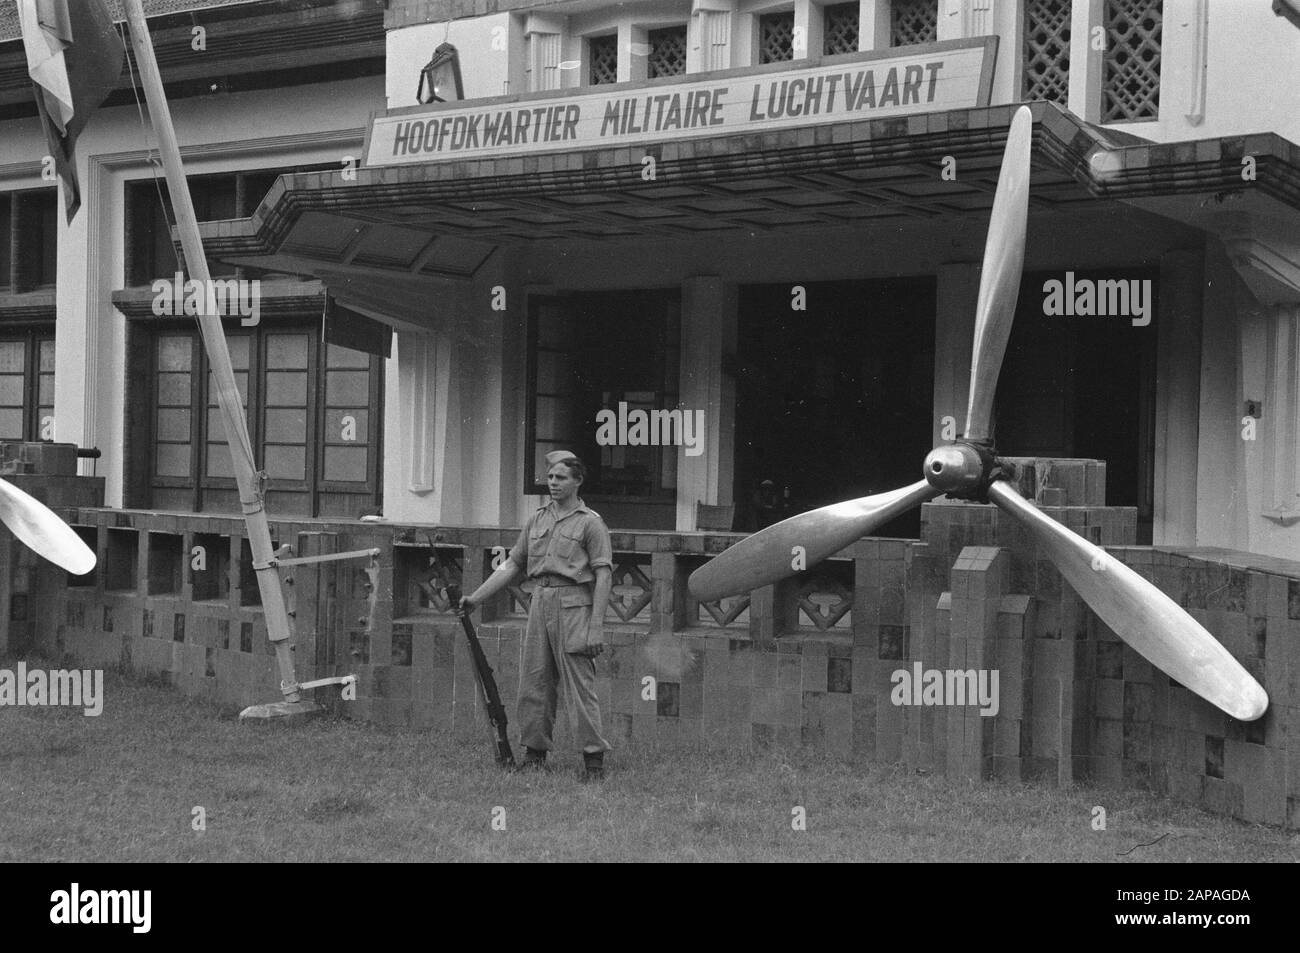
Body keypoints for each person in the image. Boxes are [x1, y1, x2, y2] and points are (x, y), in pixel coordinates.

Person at [458, 451, 613, 780]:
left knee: (579, 687)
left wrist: (596, 626)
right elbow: (513, 564)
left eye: (561, 478)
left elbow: (604, 575)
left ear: (578, 481)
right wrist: (476, 597)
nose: (553, 484)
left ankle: (593, 761)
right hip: (539, 602)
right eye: (551, 478)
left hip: (575, 606)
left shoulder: (590, 523)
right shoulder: (537, 519)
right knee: (535, 682)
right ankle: (535, 753)